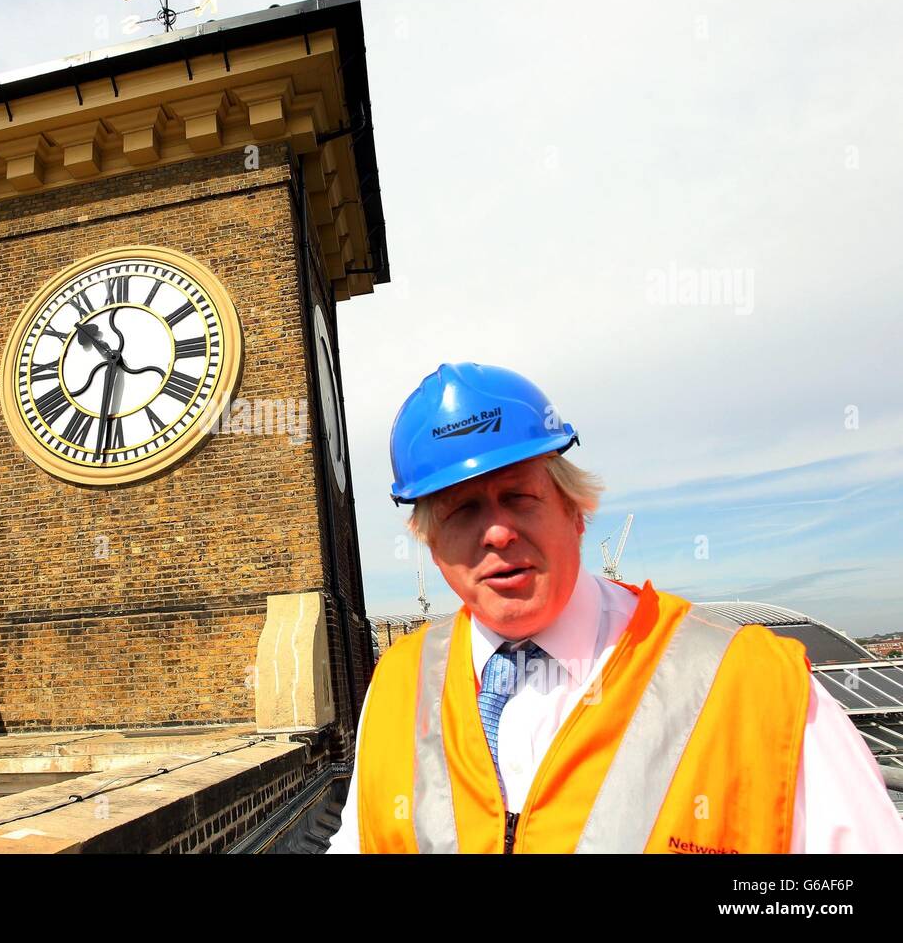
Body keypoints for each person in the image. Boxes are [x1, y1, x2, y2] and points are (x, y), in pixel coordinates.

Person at [328, 361, 903, 853]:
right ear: (431, 544)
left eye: (519, 497)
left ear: (575, 510)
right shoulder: (398, 684)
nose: (497, 532)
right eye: (462, 511)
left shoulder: (755, 687)